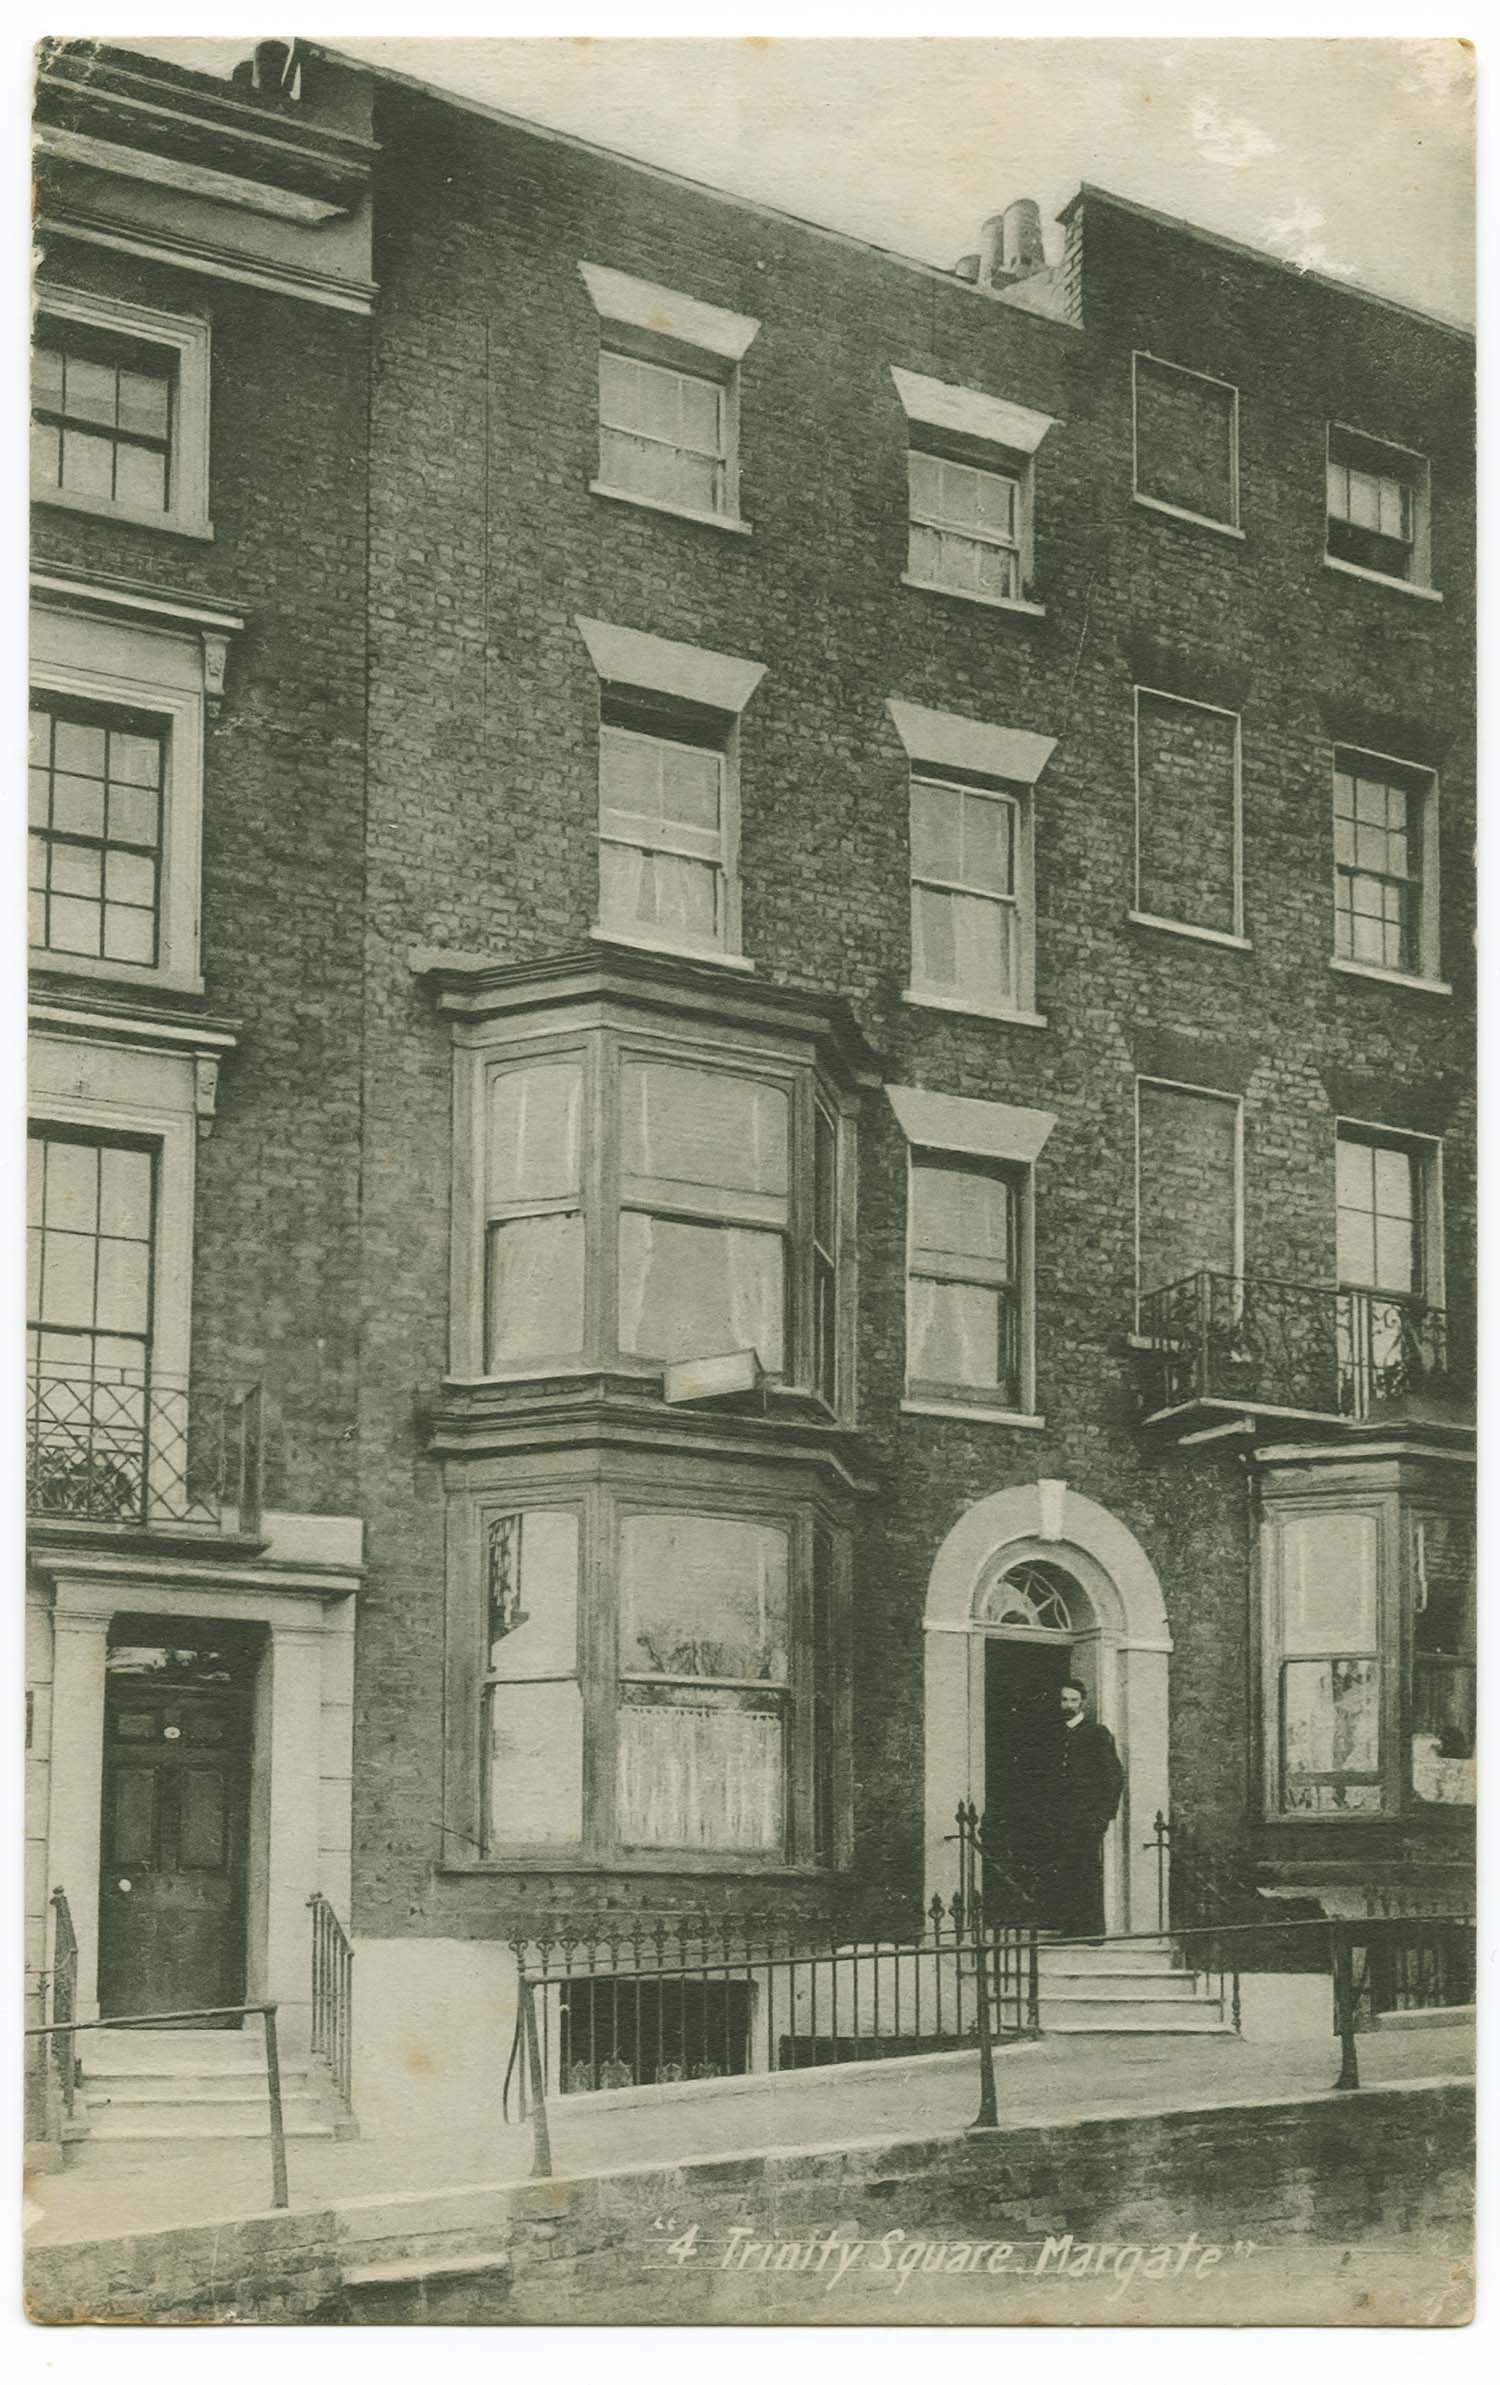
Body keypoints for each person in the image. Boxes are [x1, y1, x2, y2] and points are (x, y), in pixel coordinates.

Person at [1038, 1679, 1123, 1939]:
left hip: (1087, 1818)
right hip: (1062, 1817)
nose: (1068, 1705)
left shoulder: (1096, 1733)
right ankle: (1071, 1927)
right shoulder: (1055, 1734)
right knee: (1066, 1869)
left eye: (1073, 1700)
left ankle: (1093, 1930)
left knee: (1087, 1869)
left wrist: (1103, 1815)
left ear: (1082, 1702)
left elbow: (1114, 1776)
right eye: (1064, 1700)